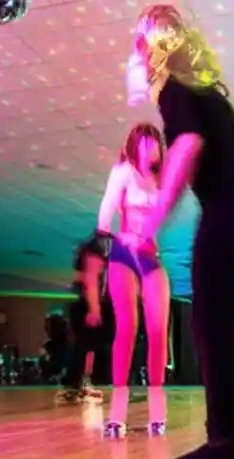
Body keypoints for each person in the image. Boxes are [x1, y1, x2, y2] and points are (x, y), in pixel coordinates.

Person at [127, 4, 234, 459]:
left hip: (230, 215)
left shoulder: (177, 90)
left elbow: (188, 146)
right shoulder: (206, 91)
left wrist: (152, 220)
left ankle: (229, 441)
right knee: (215, 328)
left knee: (210, 328)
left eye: (141, 46)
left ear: (153, 49)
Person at [97, 123, 172, 436]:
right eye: (145, 143)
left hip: (150, 256)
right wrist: (107, 234)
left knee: (157, 330)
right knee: (127, 327)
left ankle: (158, 412)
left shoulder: (161, 178)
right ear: (134, 145)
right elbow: (106, 208)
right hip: (123, 254)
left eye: (154, 143)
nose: (150, 149)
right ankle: (117, 414)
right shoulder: (123, 171)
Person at [60, 232, 109, 404]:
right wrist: (94, 309)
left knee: (86, 347)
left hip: (87, 304)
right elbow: (91, 279)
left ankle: (78, 385)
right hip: (88, 305)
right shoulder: (97, 251)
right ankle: (81, 384)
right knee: (88, 347)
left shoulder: (95, 251)